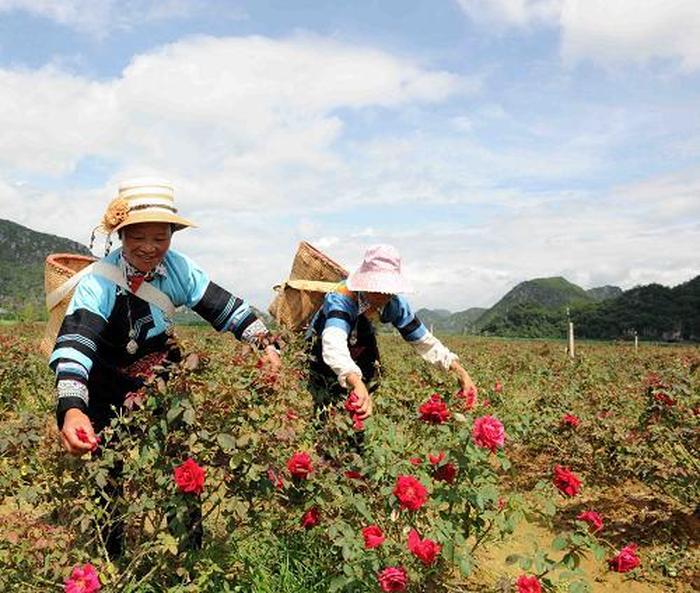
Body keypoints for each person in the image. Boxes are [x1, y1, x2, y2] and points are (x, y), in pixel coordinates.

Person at [49, 178, 281, 554]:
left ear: (173, 234)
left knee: (182, 465)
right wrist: (73, 408)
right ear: (121, 234)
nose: (149, 248)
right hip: (106, 379)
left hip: (161, 378)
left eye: (161, 237)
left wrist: (263, 342)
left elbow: (225, 308)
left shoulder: (180, 270)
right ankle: (113, 557)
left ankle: (190, 553)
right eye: (138, 237)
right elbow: (77, 343)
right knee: (109, 470)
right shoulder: (98, 283)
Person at [306, 244, 476, 421]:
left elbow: (424, 341)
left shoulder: (394, 304)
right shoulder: (342, 298)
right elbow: (333, 344)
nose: (383, 293)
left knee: (368, 385)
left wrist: (459, 371)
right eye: (377, 286)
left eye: (388, 288)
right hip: (320, 347)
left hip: (360, 344)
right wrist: (355, 380)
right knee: (326, 393)